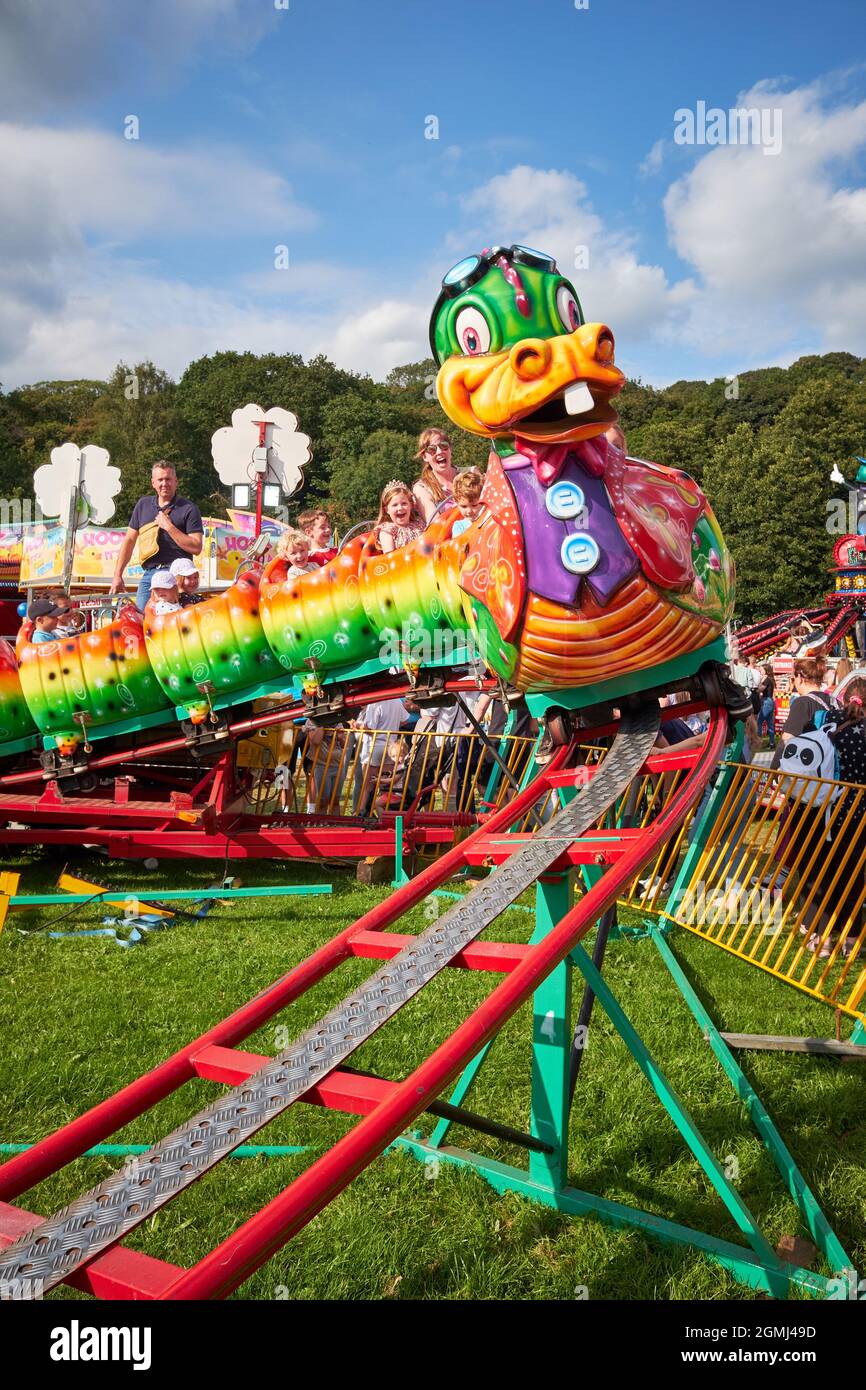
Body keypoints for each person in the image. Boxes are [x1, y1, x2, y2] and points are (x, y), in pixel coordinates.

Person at [110, 462, 203, 611]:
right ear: (153, 483)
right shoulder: (143, 505)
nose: (164, 483)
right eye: (160, 480)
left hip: (174, 575)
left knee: (170, 622)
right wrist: (117, 575)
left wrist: (169, 527)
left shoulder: (189, 508)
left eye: (168, 479)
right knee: (142, 621)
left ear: (176, 482)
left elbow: (197, 547)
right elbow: (129, 540)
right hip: (149, 575)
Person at [351, 697, 409, 816]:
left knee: (367, 786)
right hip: (391, 746)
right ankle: (385, 814)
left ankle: (361, 813)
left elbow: (370, 729)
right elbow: (405, 720)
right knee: (385, 786)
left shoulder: (375, 702)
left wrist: (357, 726)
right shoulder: (397, 700)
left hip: (375, 746)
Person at [412, 428, 457, 523]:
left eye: (444, 446)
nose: (439, 451)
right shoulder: (422, 488)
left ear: (450, 449)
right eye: (432, 449)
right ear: (424, 456)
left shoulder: (471, 473)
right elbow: (435, 523)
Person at [375, 481, 425, 554]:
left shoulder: (419, 524)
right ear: (386, 510)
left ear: (410, 505)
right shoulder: (388, 531)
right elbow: (389, 557)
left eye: (404, 503)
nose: (400, 508)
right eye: (395, 505)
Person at [450, 469, 484, 536]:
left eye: (474, 505)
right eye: (464, 506)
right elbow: (458, 545)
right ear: (456, 503)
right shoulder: (459, 527)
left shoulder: (488, 520)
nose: (469, 511)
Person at [757, 663, 776, 747]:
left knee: (759, 721)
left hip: (766, 701)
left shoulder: (767, 679)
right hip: (770, 701)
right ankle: (772, 743)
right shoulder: (770, 679)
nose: (760, 671)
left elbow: (760, 689)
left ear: (766, 670)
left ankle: (758, 742)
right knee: (770, 723)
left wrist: (760, 681)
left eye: (761, 670)